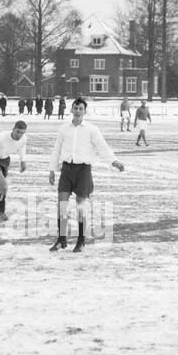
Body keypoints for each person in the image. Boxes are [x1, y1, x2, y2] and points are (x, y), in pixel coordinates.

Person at [48, 97, 124, 253]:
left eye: (80, 108)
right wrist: (52, 169)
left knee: (81, 207)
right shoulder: (64, 129)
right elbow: (57, 149)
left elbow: (102, 146)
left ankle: (81, 240)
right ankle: (61, 239)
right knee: (61, 204)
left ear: (84, 111)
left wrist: (113, 161)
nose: (77, 111)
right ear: (71, 110)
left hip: (83, 171)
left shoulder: (91, 129)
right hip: (67, 169)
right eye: (75, 108)